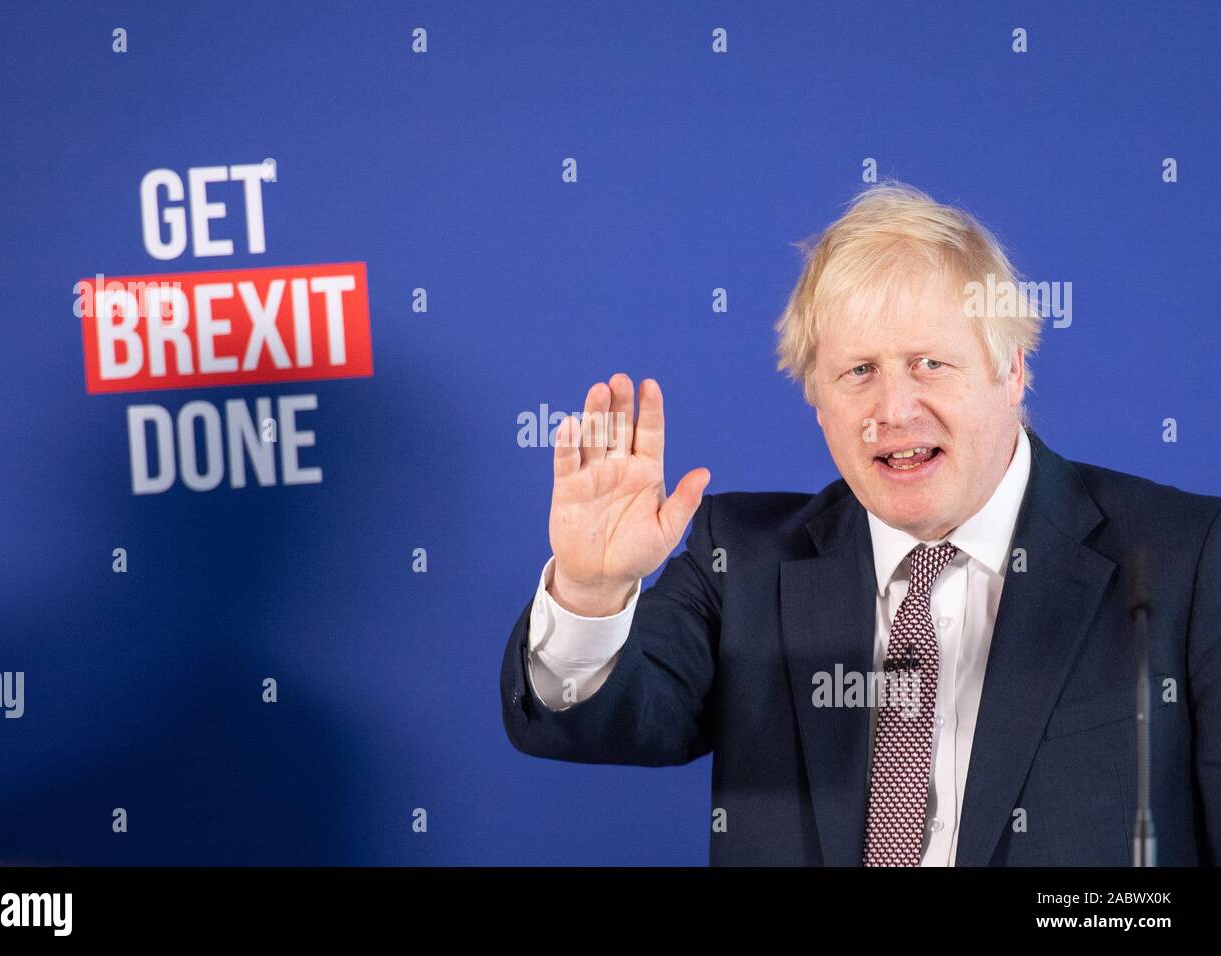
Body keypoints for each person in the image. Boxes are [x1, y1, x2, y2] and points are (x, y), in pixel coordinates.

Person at [498, 182, 1221, 866]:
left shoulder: (1187, 560)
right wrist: (591, 591)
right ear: (817, 401)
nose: (894, 410)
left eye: (930, 363)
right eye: (857, 372)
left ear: (1014, 372)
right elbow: (603, 716)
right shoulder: (741, 560)